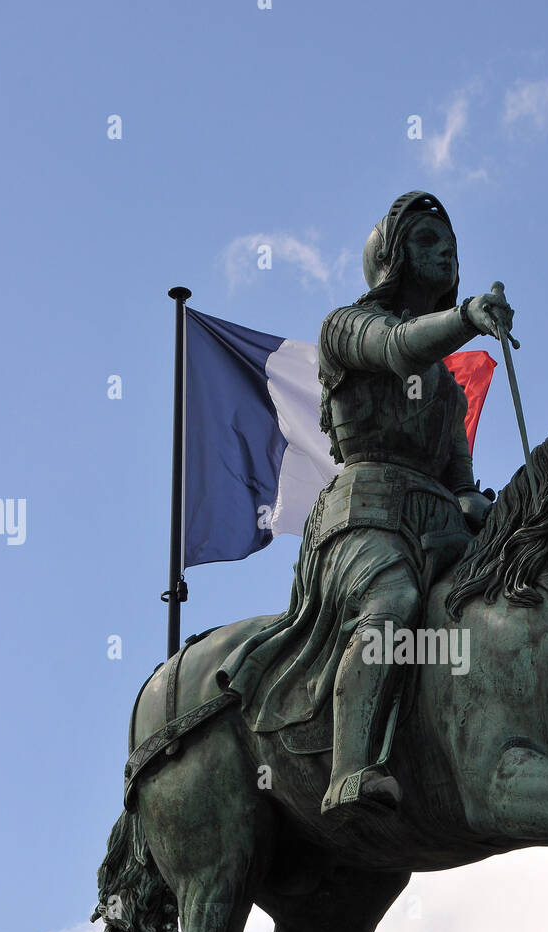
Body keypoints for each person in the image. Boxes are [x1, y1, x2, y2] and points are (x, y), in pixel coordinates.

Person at [218, 191, 514, 816]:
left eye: (449, 244)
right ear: (391, 259)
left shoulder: (448, 388)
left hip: (437, 526)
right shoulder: (347, 328)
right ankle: (351, 769)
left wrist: (480, 506)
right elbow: (399, 346)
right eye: (427, 242)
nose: (446, 252)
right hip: (362, 517)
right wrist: (465, 318)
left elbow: (460, 475)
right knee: (394, 603)